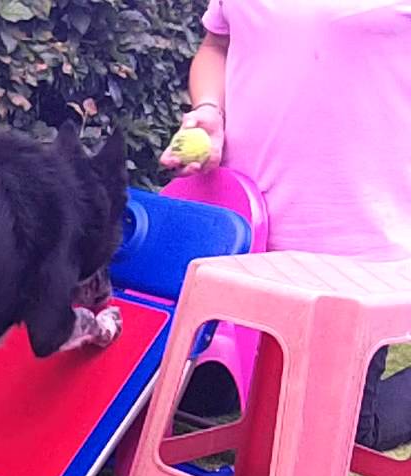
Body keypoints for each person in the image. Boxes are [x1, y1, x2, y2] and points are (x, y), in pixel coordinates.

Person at [161, 0, 411, 451]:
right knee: (204, 401)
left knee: (344, 439)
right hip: (241, 228)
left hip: (358, 245)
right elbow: (216, 44)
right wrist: (209, 112)